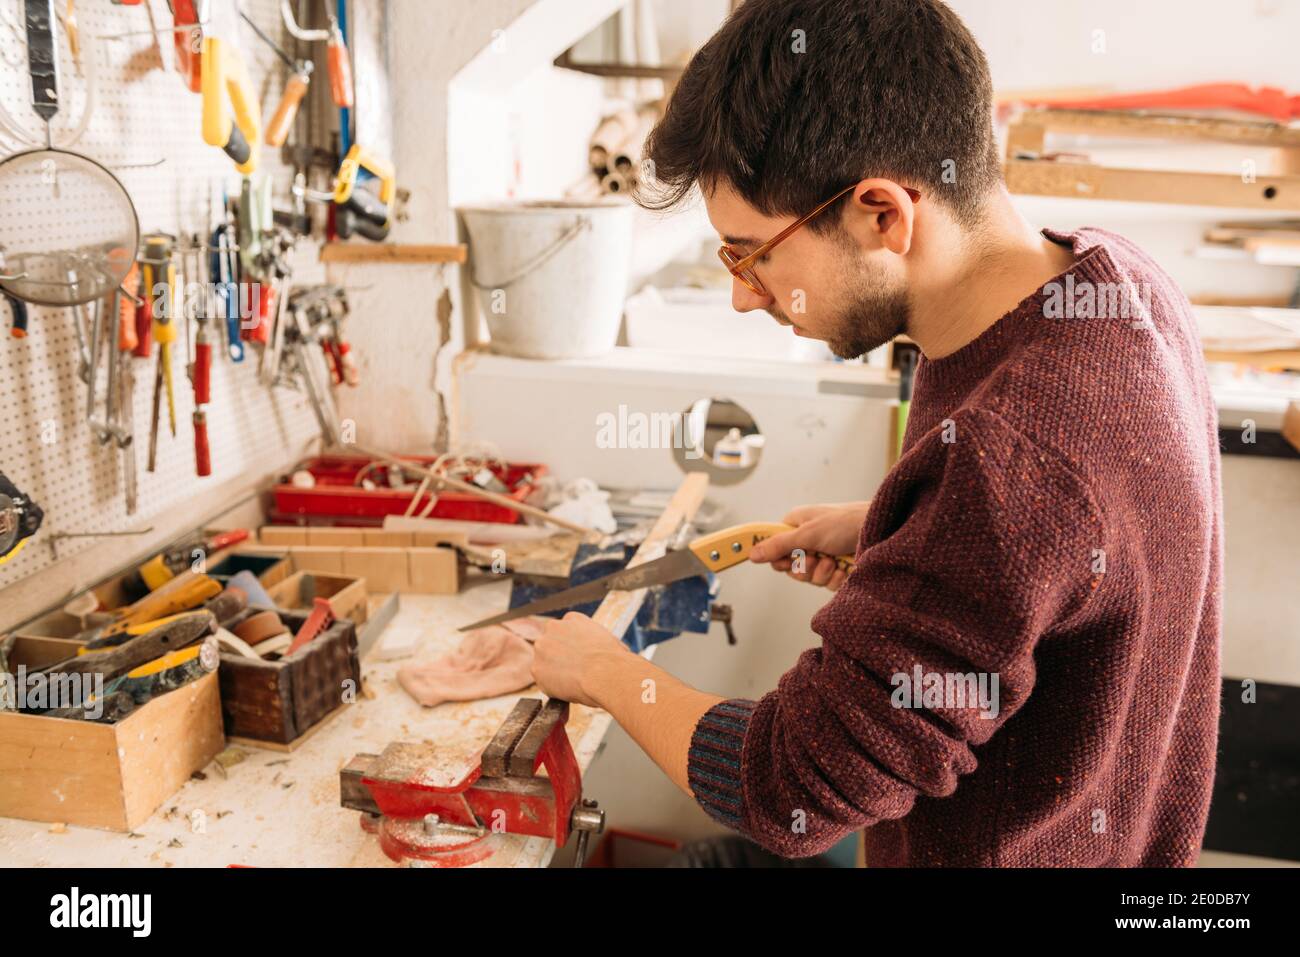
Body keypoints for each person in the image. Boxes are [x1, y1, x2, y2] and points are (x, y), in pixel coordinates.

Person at [531, 0, 1222, 866]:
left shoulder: (1011, 462)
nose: (745, 294)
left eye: (754, 254)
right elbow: (1095, 544)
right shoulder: (1118, 282)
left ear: (882, 214)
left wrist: (599, 667)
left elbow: (791, 787)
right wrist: (898, 526)